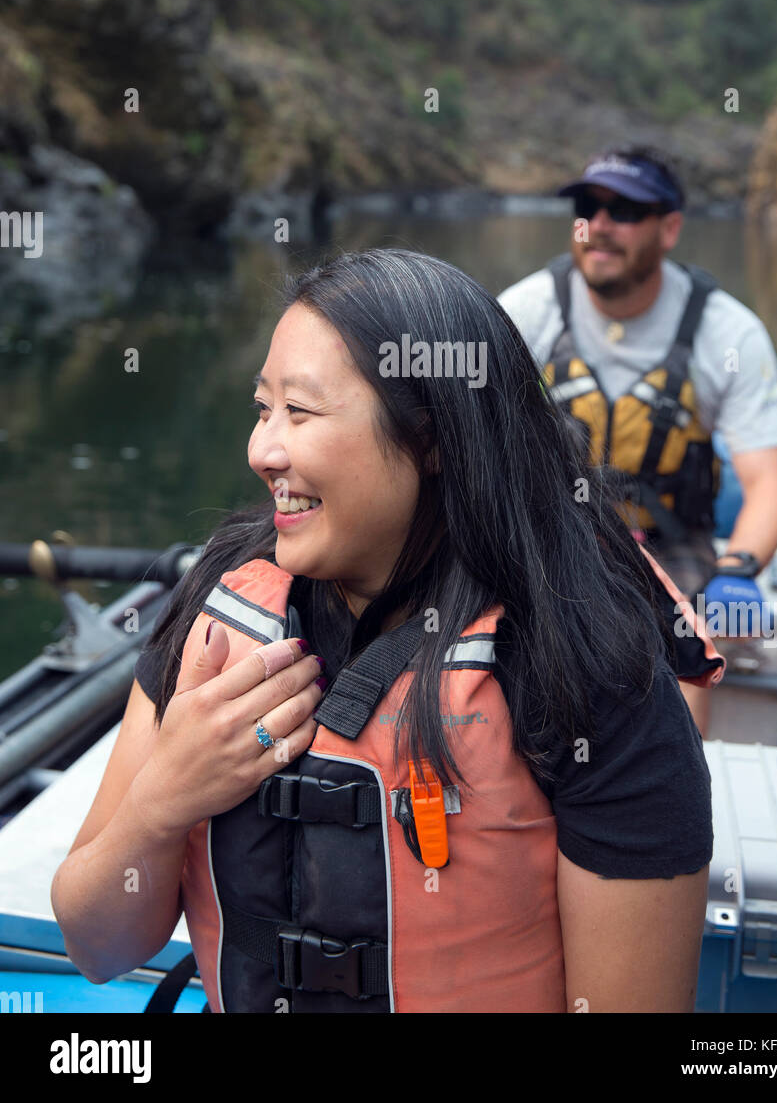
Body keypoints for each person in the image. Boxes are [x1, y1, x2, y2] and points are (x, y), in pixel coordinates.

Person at [52, 248, 719, 1014]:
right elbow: (99, 950)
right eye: (262, 409)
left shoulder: (583, 657)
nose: (262, 449)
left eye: (300, 413)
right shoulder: (222, 604)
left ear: (434, 438)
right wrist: (162, 799)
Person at [497, 146, 777, 735]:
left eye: (626, 211)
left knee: (683, 652)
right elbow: (470, 444)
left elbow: (771, 483)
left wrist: (737, 570)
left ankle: (676, 807)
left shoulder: (727, 333)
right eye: (588, 207)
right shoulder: (527, 311)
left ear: (669, 229)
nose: (599, 226)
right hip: (553, 531)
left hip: (673, 545)